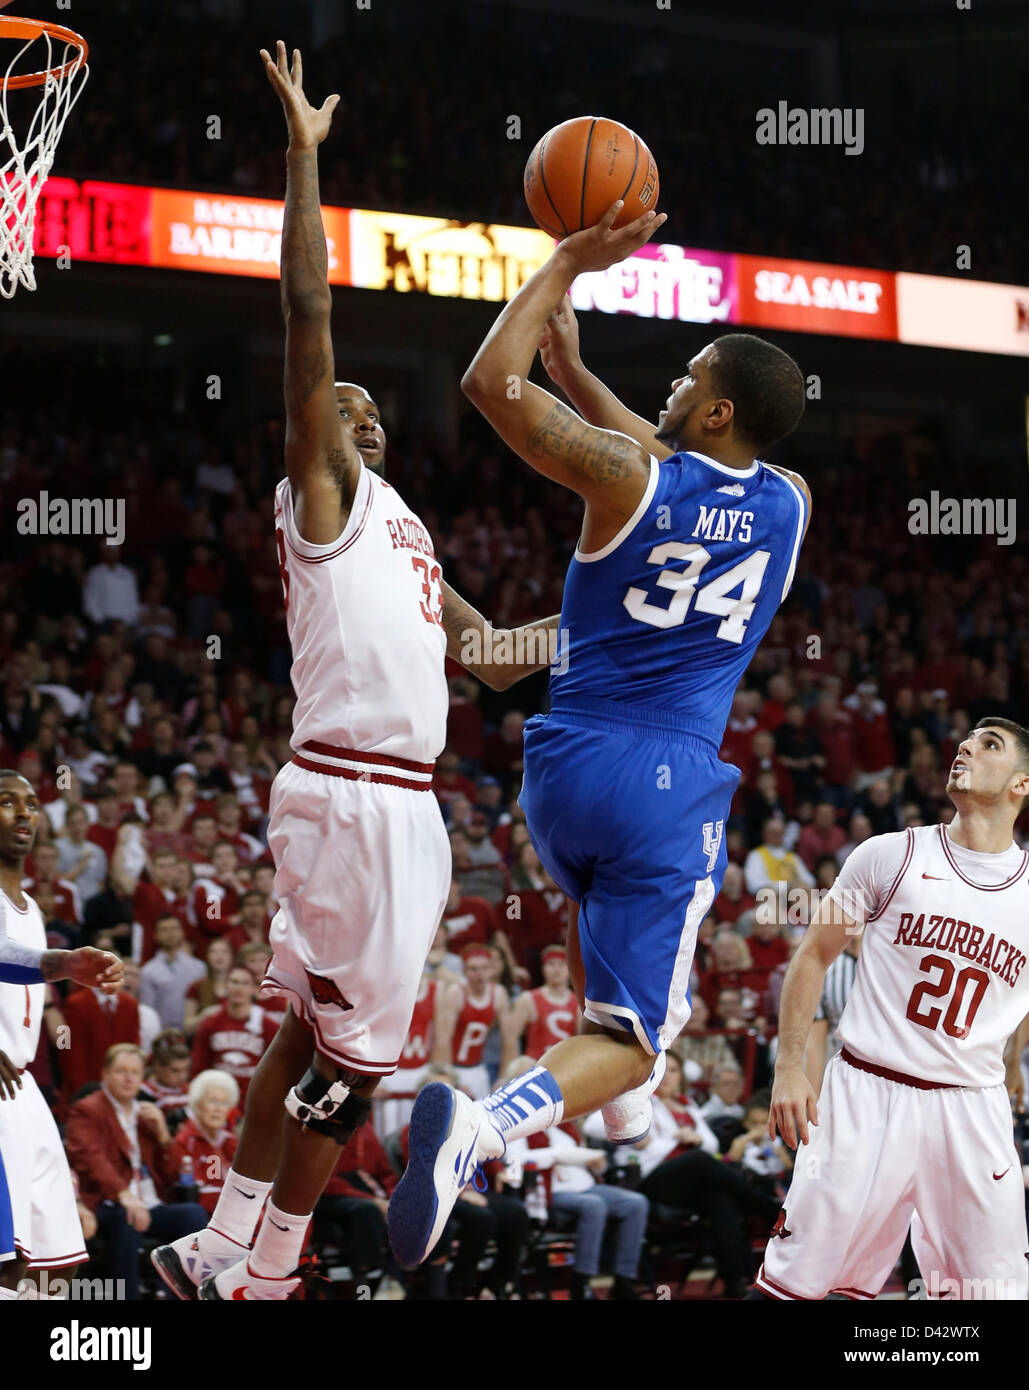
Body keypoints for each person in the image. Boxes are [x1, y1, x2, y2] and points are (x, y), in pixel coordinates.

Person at [152, 41, 555, 1303]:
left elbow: (494, 663)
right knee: (358, 1065)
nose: (365, 422)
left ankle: (221, 1243)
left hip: (385, 801)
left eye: (381, 416)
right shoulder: (320, 499)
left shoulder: (414, 534)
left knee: (304, 1036)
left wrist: (630, 616)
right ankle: (268, 1269)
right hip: (358, 798)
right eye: (349, 410)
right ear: (317, 432)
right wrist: (306, 157)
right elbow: (309, 317)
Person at [388, 204, 811, 1267]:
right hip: (664, 778)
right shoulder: (792, 503)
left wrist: (566, 265)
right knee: (630, 1047)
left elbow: (490, 382)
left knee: (614, 1026)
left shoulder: (628, 480)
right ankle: (481, 1130)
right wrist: (582, 378)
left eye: (687, 374)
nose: (670, 383)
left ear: (714, 411)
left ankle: (577, 1116)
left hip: (563, 768)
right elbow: (673, 458)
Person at [751, 719, 1029, 1301]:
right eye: (968, 738)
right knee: (795, 1282)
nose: (965, 746)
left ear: (1020, 785)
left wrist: (1013, 1065)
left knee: (995, 1293)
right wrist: (789, 1067)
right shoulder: (889, 855)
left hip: (970, 1110)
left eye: (989, 744)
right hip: (867, 1092)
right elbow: (811, 958)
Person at [0, 769, 123, 1297]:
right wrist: (64, 961)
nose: (24, 812)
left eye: (30, 803)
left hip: (26, 1089)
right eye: (6, 802)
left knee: (58, 1266)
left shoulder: (31, 910)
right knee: (8, 1262)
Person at [64, 1044, 209, 1301]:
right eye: (121, 1071)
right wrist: (124, 1195)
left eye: (135, 1072)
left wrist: (164, 1135)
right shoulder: (88, 1109)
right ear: (105, 1074)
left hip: (148, 1204)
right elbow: (90, 1158)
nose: (129, 1078)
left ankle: (178, 1296)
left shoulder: (146, 1114)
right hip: (108, 1204)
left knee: (193, 1214)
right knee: (127, 1219)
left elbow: (172, 1175)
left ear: (143, 1077)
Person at [502, 943, 579, 1066]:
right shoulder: (528, 999)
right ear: (543, 968)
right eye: (551, 964)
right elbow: (510, 1039)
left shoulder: (578, 1004)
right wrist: (507, 1074)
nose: (556, 969)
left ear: (570, 968)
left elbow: (582, 1042)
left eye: (562, 964)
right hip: (534, 1067)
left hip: (566, 1068)